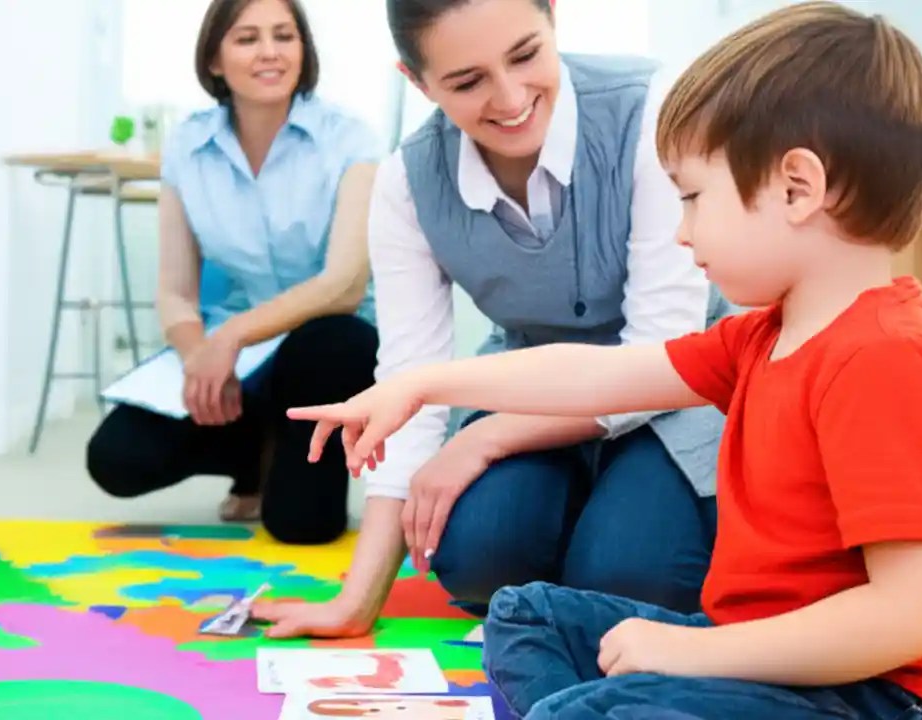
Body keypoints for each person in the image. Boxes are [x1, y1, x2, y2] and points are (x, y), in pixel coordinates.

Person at [289, 2, 922, 717]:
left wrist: (695, 655)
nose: (683, 230)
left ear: (798, 187)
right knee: (523, 617)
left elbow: (916, 615)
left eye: (695, 199)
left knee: (610, 694)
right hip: (747, 655)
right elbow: (590, 372)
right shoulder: (761, 336)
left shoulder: (884, 360)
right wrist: (422, 385)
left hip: (864, 696)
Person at [252, 0, 724, 638]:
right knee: (475, 559)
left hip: (672, 389)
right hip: (528, 387)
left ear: (553, 15)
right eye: (467, 82)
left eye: (527, 54)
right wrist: (358, 601)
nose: (510, 97)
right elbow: (408, 381)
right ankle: (590, 511)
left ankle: (616, 515)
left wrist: (485, 437)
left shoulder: (647, 114)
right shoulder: (409, 180)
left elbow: (661, 355)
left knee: (633, 580)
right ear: (417, 82)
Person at [85, 0, 381, 544]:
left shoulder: (351, 140)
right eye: (247, 39)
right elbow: (175, 291)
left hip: (329, 349)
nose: (270, 52)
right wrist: (200, 355)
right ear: (215, 60)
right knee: (116, 459)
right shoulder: (187, 146)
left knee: (301, 526)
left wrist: (231, 336)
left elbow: (344, 285)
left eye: (284, 36)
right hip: (245, 356)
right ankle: (255, 453)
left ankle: (287, 456)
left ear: (303, 49)